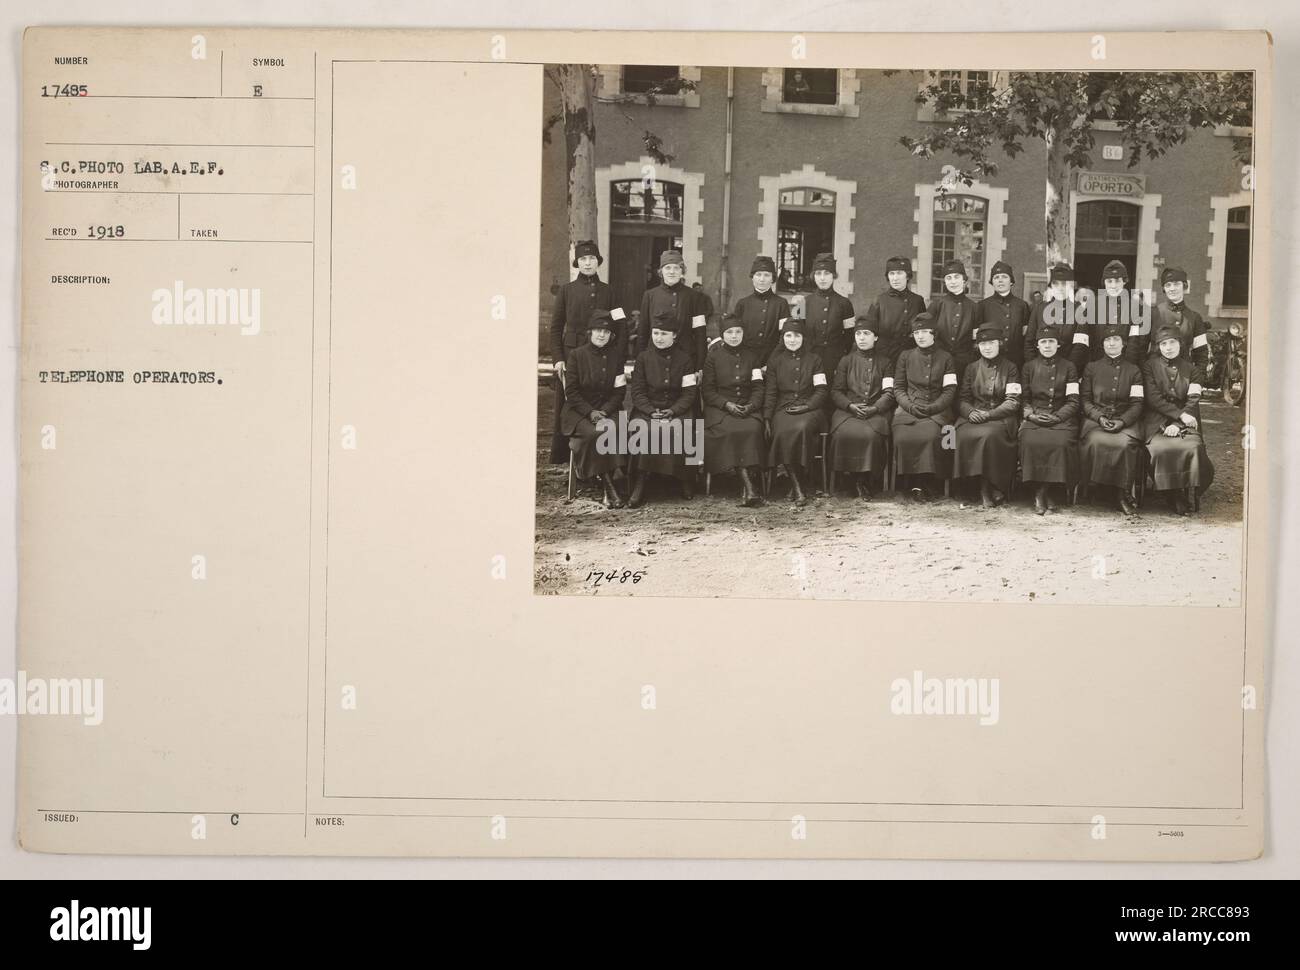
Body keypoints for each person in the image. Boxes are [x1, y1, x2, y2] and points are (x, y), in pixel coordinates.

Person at [548, 239, 620, 463]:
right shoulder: (567, 291)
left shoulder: (609, 291)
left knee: (601, 395)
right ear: (577, 263)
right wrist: (558, 359)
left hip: (602, 352)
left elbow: (620, 323)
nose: (587, 263)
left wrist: (617, 355)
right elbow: (556, 328)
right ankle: (564, 454)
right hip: (572, 353)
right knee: (568, 401)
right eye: (583, 259)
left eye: (591, 259)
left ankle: (599, 451)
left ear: (598, 262)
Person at [627, 310, 699, 507]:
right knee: (646, 430)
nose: (659, 338)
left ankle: (685, 479)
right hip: (647, 410)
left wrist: (673, 411)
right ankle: (640, 483)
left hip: (678, 410)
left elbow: (689, 393)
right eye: (656, 333)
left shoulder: (685, 360)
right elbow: (638, 391)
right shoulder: (643, 358)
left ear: (674, 336)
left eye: (664, 334)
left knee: (681, 429)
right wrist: (650, 411)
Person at [1141, 325, 1215, 515]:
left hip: (1185, 420)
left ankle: (1185, 489)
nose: (1168, 347)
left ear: (1180, 344)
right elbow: (1153, 398)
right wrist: (1177, 416)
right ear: (1158, 347)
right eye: (1163, 344)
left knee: (1193, 447)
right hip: (1155, 420)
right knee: (1160, 449)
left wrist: (1177, 423)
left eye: (1172, 342)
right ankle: (1171, 493)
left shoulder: (1192, 370)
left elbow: (1193, 400)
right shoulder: (1149, 366)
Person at [560, 310, 628, 508]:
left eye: (606, 332)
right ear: (590, 332)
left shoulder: (616, 357)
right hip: (579, 411)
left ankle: (615, 478)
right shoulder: (576, 355)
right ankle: (608, 487)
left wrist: (605, 411)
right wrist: (590, 412)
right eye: (598, 331)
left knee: (619, 428)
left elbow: (619, 391)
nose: (601, 335)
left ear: (611, 336)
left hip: (609, 409)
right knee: (594, 434)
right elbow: (571, 392)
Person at [1079, 323, 1146, 516]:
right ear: (1102, 344)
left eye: (1116, 340)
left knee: (1125, 445)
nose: (1111, 344)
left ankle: (1120, 494)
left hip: (1125, 422)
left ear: (1124, 343)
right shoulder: (1091, 368)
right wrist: (1098, 417)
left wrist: (1123, 421)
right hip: (1096, 421)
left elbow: (1137, 404)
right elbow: (1085, 400)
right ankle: (1095, 488)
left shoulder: (1134, 371)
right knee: (1094, 441)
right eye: (1107, 340)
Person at [891, 312, 958, 502]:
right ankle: (910, 483)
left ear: (934, 333)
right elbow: (898, 388)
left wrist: (934, 407)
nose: (920, 336)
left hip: (938, 411)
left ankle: (931, 483)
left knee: (936, 436)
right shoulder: (905, 356)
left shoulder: (946, 358)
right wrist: (910, 407)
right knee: (903, 437)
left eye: (924, 332)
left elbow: (950, 390)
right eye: (916, 333)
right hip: (908, 410)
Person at [702, 314, 767, 507]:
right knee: (732, 430)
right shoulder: (713, 357)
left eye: (738, 332)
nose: (734, 336)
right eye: (729, 332)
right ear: (723, 335)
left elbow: (758, 387)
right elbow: (708, 391)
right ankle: (749, 488)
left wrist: (752, 406)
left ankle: (748, 486)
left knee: (752, 429)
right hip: (720, 409)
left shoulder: (752, 356)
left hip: (748, 407)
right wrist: (727, 405)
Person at [954, 323, 1021, 508]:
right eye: (983, 344)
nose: (988, 347)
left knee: (990, 436)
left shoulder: (1011, 368)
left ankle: (990, 486)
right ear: (978, 346)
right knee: (957, 436)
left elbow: (1013, 401)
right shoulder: (971, 368)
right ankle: (967, 487)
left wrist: (989, 414)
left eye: (992, 343)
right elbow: (962, 398)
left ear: (1000, 344)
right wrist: (971, 412)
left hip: (1000, 417)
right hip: (973, 415)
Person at [828, 317, 895, 500]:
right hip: (848, 411)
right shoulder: (845, 361)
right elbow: (836, 391)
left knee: (871, 436)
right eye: (858, 334)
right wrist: (849, 406)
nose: (862, 338)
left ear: (876, 338)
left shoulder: (886, 362)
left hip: (876, 411)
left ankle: (865, 480)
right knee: (843, 434)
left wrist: (875, 409)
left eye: (867, 333)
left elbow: (889, 393)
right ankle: (848, 479)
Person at [763, 318, 827, 506]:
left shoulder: (815, 360)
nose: (792, 340)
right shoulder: (775, 361)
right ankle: (798, 486)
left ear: (803, 338)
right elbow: (771, 392)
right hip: (783, 408)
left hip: (810, 408)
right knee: (783, 431)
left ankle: (799, 484)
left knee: (802, 427)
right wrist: (767, 417)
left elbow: (822, 390)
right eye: (788, 335)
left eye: (797, 336)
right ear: (783, 338)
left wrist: (807, 406)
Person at [1019, 333, 1081, 515]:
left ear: (1058, 345)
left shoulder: (1069, 367)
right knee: (1029, 440)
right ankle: (1039, 490)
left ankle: (1044, 491)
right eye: (1043, 342)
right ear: (1037, 346)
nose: (1047, 346)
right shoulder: (1029, 367)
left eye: (1051, 341)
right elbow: (1024, 398)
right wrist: (1030, 415)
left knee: (1060, 443)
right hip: (1036, 416)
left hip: (1061, 417)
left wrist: (1058, 417)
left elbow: (1073, 400)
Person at [636, 249, 707, 371]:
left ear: (682, 272)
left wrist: (700, 366)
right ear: (661, 272)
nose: (672, 272)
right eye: (667, 268)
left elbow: (700, 333)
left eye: (676, 268)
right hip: (656, 360)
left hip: (686, 359)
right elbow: (643, 331)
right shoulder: (650, 295)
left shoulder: (695, 297)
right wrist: (641, 361)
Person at [863, 256, 927, 370]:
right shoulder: (879, 300)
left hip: (910, 356)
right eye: (891, 274)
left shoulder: (917, 301)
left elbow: (923, 328)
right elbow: (869, 330)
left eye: (899, 273)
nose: (895, 278)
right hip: (885, 356)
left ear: (907, 275)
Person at [803, 252, 855, 387]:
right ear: (813, 276)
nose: (822, 278)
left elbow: (849, 337)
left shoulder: (844, 304)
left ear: (833, 276)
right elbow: (799, 331)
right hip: (809, 359)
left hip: (834, 360)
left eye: (826, 273)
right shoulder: (803, 302)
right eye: (818, 273)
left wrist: (840, 358)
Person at [1147, 267, 1210, 377]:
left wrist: (1197, 381)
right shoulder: (1153, 314)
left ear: (1184, 286)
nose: (1172, 288)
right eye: (1168, 285)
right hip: (1155, 376)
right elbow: (1139, 350)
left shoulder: (1194, 318)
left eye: (1176, 284)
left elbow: (1201, 355)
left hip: (1183, 378)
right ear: (1164, 289)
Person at [1024, 263, 1086, 374]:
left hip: (1067, 371)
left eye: (1064, 284)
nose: (1060, 288)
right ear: (1051, 286)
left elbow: (1080, 346)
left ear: (1071, 286)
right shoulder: (1039, 309)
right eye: (1056, 284)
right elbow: (1029, 341)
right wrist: (1034, 367)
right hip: (1040, 371)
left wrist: (1067, 369)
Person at [731, 255, 790, 363]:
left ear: (773, 279)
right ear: (752, 277)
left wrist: (773, 361)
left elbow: (784, 335)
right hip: (746, 358)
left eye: (767, 275)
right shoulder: (742, 304)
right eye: (758, 275)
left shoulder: (781, 304)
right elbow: (736, 334)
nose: (762, 279)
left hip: (773, 358)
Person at [926, 258, 978, 380]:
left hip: (965, 363)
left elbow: (975, 339)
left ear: (964, 280)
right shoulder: (936, 305)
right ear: (944, 281)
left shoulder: (974, 307)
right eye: (948, 278)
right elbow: (927, 332)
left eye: (956, 277)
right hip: (939, 361)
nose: (953, 281)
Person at [973, 260, 1030, 369]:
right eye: (996, 277)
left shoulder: (1022, 305)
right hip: (990, 363)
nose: (1000, 280)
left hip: (1016, 361)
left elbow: (1025, 336)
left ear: (1011, 281)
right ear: (992, 282)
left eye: (1004, 277)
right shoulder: (982, 306)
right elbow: (977, 338)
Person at [1094, 259, 1148, 364]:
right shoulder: (1093, 306)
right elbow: (1089, 341)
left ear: (1124, 281)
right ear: (1103, 282)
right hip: (1098, 364)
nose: (1113, 286)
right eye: (1109, 281)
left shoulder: (1136, 307)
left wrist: (1128, 368)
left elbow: (1136, 342)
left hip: (1126, 365)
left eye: (1118, 281)